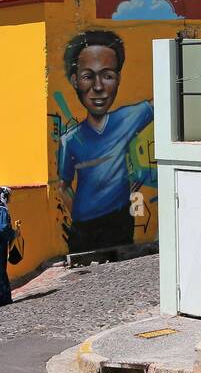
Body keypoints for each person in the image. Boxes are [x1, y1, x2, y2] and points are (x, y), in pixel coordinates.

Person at [57, 30, 154, 253]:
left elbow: (166, 100)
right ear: (74, 80)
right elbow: (63, 186)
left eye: (108, 76)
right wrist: (81, 215)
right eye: (88, 76)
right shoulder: (70, 140)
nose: (98, 87)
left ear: (118, 78)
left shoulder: (129, 117)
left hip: (119, 221)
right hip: (83, 229)